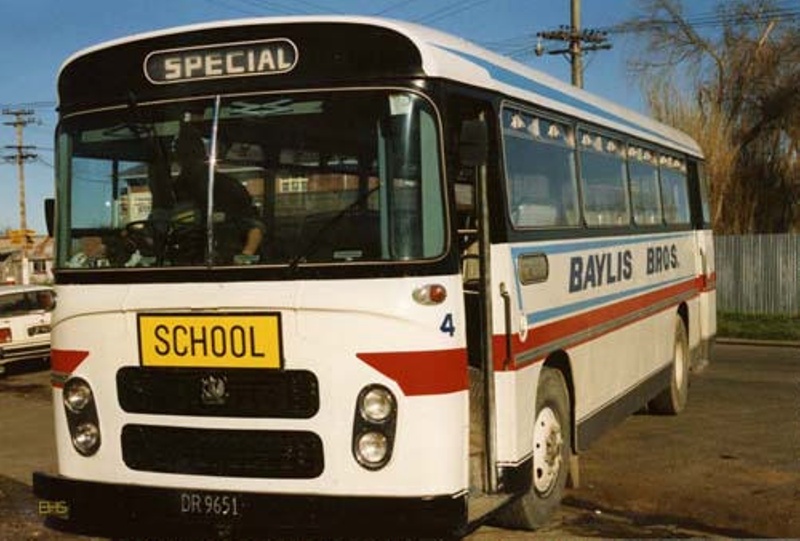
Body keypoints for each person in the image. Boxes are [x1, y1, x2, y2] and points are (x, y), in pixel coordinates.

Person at [170, 122, 265, 264]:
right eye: (182, 155)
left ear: (201, 155)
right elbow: (163, 224)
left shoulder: (227, 187)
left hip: (225, 267)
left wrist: (245, 257)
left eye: (190, 154)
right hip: (182, 266)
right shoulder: (175, 189)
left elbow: (255, 227)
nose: (187, 160)